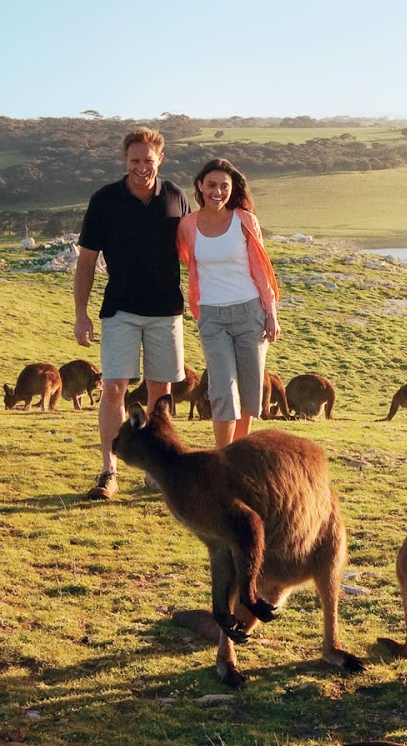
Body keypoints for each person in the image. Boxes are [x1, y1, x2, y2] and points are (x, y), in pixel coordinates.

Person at [74, 127, 191, 499]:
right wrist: (81, 313)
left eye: (148, 160)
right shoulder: (105, 200)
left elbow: (195, 252)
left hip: (166, 312)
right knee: (112, 389)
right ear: (125, 160)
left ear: (161, 159)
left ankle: (157, 470)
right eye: (135, 160)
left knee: (161, 392)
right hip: (119, 310)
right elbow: (87, 262)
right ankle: (109, 471)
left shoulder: (175, 197)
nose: (142, 167)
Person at [176, 158, 281, 447]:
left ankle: (237, 457)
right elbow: (186, 260)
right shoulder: (187, 225)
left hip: (250, 313)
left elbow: (260, 268)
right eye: (211, 185)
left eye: (224, 186)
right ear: (200, 186)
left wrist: (270, 313)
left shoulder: (245, 220)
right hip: (212, 316)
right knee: (222, 390)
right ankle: (222, 459)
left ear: (232, 188)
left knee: (249, 392)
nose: (217, 192)